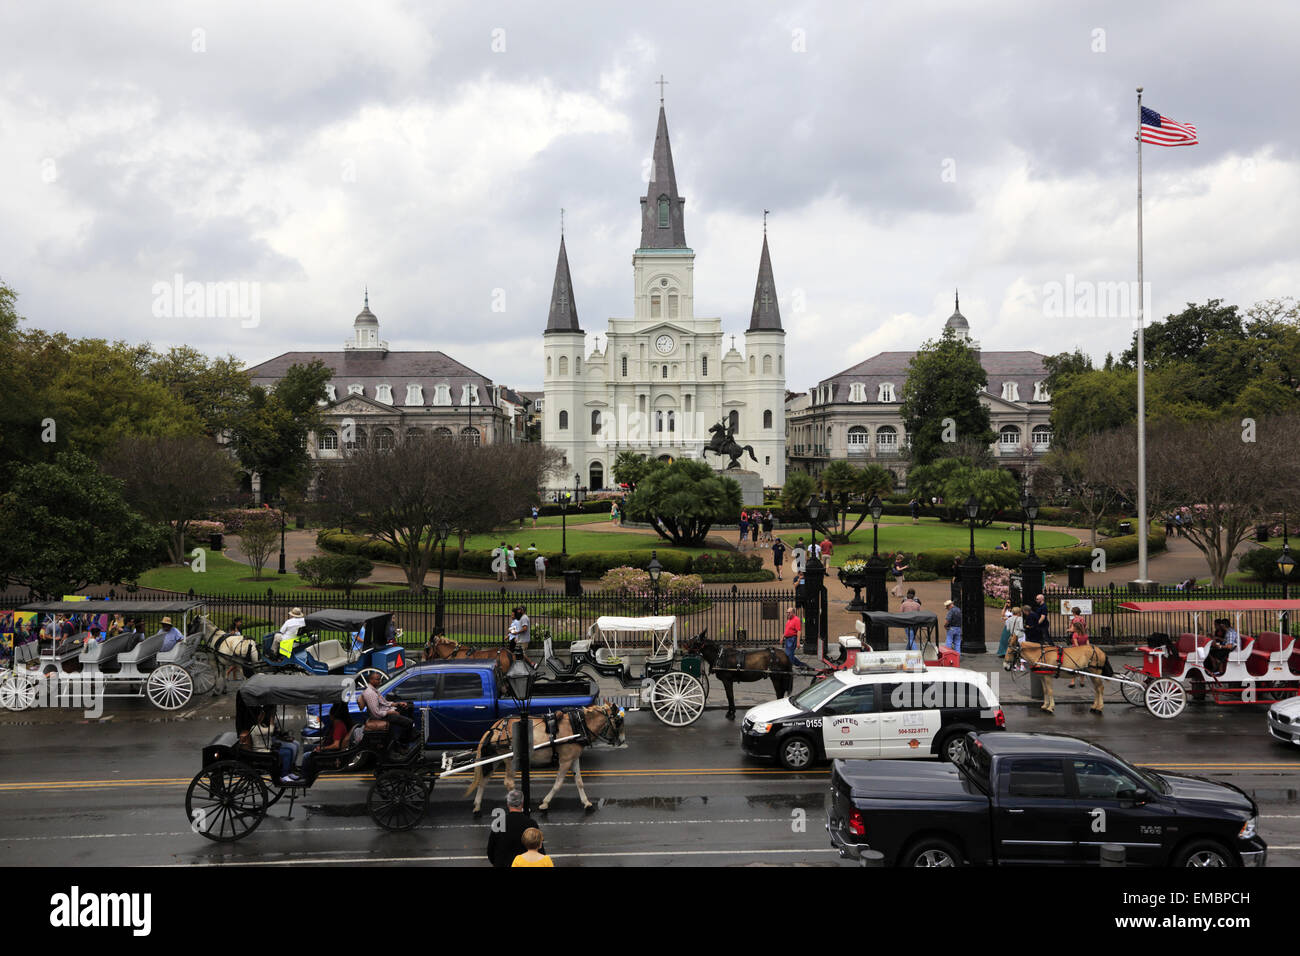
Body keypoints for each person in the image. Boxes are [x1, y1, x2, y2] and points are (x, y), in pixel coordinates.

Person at [487, 789, 540, 868]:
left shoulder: (499, 823)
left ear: (508, 804)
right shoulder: (531, 824)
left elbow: (490, 850)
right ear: (522, 804)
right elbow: (539, 850)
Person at [362, 670, 415, 748]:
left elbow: (385, 702)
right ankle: (402, 743)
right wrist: (391, 712)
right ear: (371, 680)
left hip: (386, 711)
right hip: (382, 716)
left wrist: (397, 704)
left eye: (380, 679)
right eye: (377, 679)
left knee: (409, 706)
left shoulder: (374, 690)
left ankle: (408, 735)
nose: (379, 681)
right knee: (409, 723)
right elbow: (376, 713)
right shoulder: (370, 694)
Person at [300, 701, 353, 779]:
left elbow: (336, 745)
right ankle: (308, 768)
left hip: (331, 752)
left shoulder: (339, 726)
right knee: (307, 747)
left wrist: (322, 748)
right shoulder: (335, 724)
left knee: (306, 756)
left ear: (333, 714)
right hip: (327, 746)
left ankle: (305, 777)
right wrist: (320, 745)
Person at [783, 607, 811, 672]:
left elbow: (799, 631)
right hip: (787, 639)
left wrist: (798, 642)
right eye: (787, 612)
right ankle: (803, 666)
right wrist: (783, 636)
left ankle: (789, 669)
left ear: (793, 613)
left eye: (789, 612)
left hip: (792, 639)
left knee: (789, 655)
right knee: (789, 655)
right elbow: (787, 630)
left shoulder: (796, 619)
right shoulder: (789, 619)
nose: (787, 614)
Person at [1067, 606, 1089, 686]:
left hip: (1076, 641)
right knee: (1082, 664)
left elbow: (1072, 629)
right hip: (1082, 637)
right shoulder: (1082, 619)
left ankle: (1072, 681)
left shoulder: (1074, 620)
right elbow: (1085, 627)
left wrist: (1068, 630)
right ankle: (1082, 681)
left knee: (1074, 664)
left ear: (1073, 612)